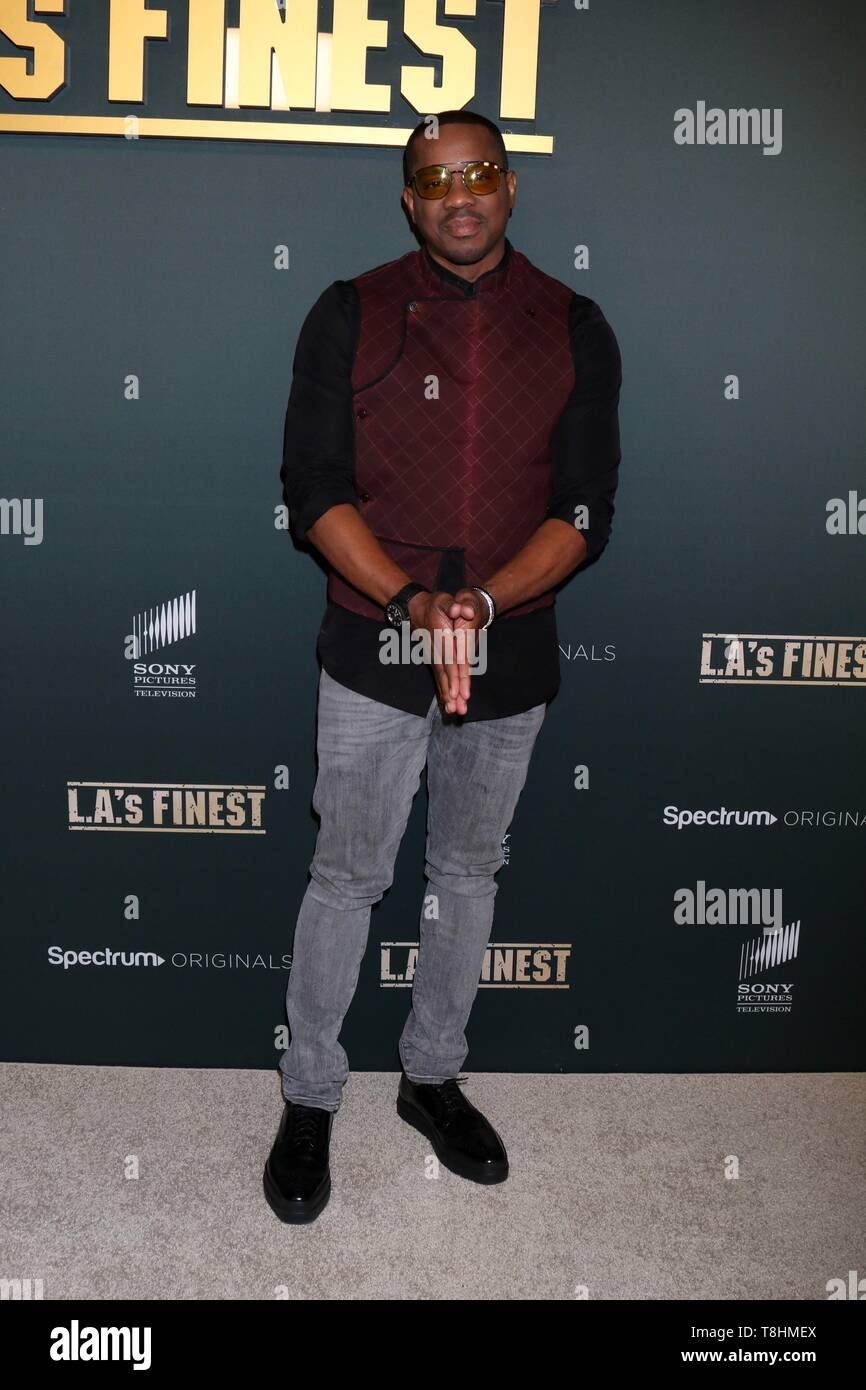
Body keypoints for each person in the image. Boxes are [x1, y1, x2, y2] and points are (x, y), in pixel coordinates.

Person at [264, 109, 622, 1223]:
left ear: (508, 187)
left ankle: (429, 1077)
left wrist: (477, 604)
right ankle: (312, 1093)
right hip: (375, 638)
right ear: (408, 200)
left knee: (467, 874)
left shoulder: (572, 323)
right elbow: (313, 494)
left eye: (474, 173)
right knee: (347, 877)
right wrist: (417, 604)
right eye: (431, 180)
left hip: (507, 641)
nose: (455, 194)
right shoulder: (347, 311)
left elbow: (581, 510)